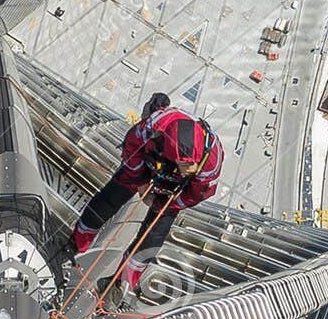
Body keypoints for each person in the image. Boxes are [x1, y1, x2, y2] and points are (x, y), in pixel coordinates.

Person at [70, 94, 222, 293]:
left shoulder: (211, 160)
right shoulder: (153, 127)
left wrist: (167, 203)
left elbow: (198, 194)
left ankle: (121, 284)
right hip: (150, 160)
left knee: (155, 232)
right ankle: (77, 245)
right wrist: (141, 183)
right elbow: (131, 148)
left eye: (191, 165)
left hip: (176, 187)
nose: (189, 167)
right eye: (184, 164)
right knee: (110, 198)